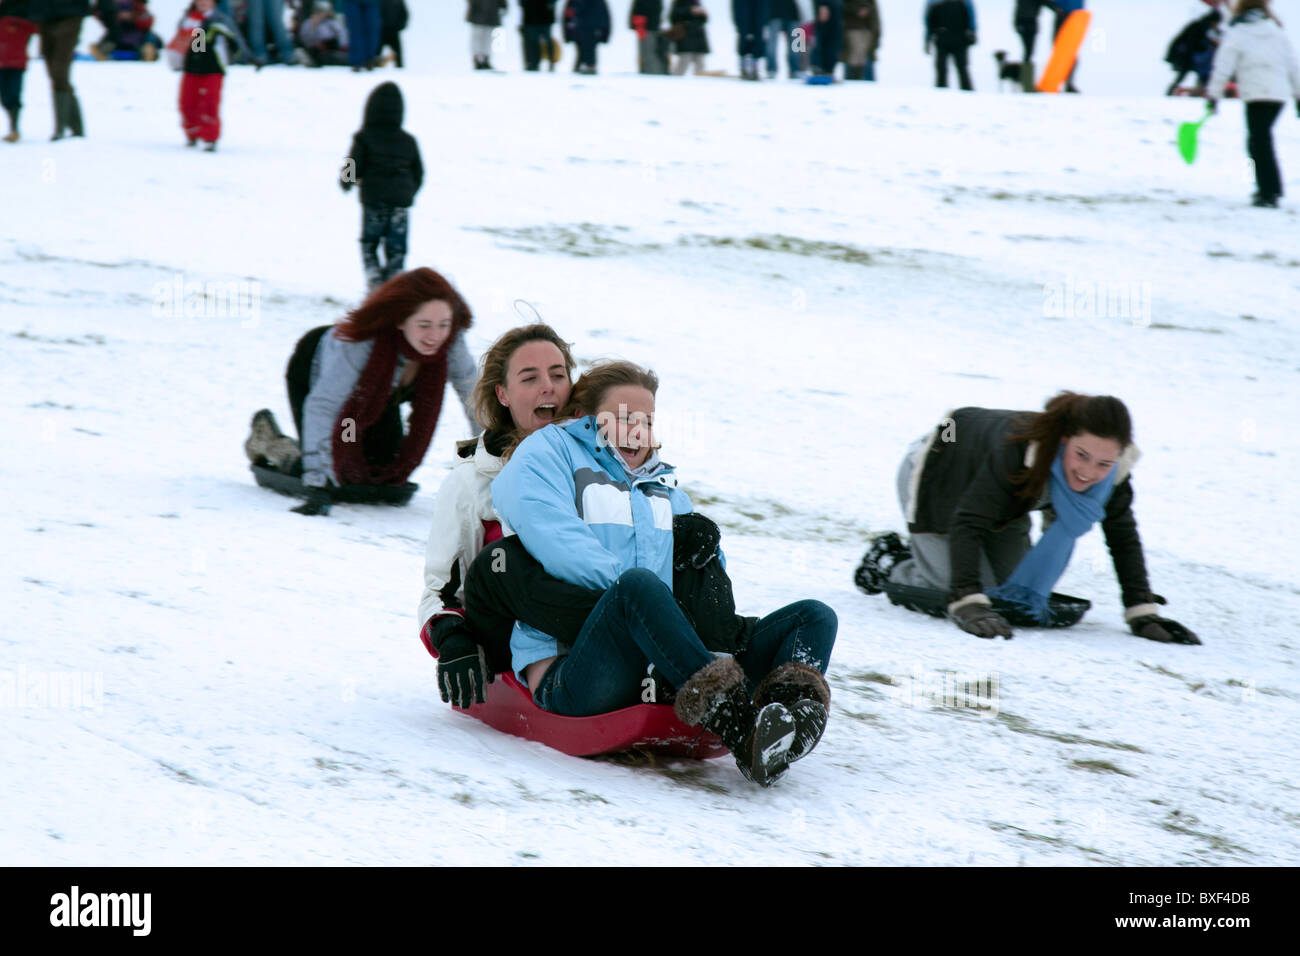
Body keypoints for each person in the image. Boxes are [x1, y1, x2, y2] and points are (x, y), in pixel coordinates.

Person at [480, 360, 838, 786]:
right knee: (637, 587)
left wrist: (701, 573)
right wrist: (653, 606)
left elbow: (709, 596)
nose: (636, 430)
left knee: (814, 617)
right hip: (572, 670)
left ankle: (789, 725)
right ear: (585, 418)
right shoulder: (548, 453)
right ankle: (742, 727)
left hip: (663, 666)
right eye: (623, 418)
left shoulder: (665, 489)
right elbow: (560, 545)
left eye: (646, 421)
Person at [854, 393, 1200, 646]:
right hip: (939, 473)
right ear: (1065, 440)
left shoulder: (1113, 473)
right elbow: (969, 521)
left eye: (1103, 463)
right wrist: (966, 601)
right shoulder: (1018, 450)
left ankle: (945, 570)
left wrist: (1141, 611)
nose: (1089, 472)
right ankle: (890, 562)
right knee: (962, 589)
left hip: (1005, 503)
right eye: (1081, 455)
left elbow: (1122, 535)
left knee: (1005, 596)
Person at [418, 322, 578, 693]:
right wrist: (452, 638)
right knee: (503, 559)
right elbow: (439, 591)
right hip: (511, 638)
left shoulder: (596, 468)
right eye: (529, 377)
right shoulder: (471, 481)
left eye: (558, 374)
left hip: (589, 625)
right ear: (503, 394)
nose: (548, 386)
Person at [246, 268, 478, 516]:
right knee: (337, 461)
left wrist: (495, 462)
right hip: (328, 388)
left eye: (444, 325)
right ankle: (269, 440)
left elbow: (476, 400)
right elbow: (324, 407)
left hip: (378, 398)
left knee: (384, 467)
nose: (435, 336)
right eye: (424, 325)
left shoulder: (450, 343)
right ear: (400, 321)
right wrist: (317, 481)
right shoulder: (360, 344)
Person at [1206, 0, 1300, 209]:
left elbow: (1222, 66)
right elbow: (1293, 64)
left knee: (1258, 143)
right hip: (1278, 96)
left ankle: (1266, 192)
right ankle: (1270, 189)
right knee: (1261, 141)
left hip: (1257, 95)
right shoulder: (1275, 30)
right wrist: (1298, 95)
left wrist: (1214, 95)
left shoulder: (1238, 32)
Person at [340, 81, 422, 290]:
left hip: (374, 197)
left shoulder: (364, 137)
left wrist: (347, 182)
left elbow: (352, 163)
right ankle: (394, 281)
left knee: (370, 242)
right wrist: (409, 192)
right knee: (397, 247)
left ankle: (374, 280)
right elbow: (418, 172)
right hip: (400, 201)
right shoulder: (408, 141)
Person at [177, 0, 259, 152]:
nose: (203, 3)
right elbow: (185, 43)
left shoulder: (220, 21)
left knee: (210, 102)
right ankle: (192, 132)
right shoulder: (188, 19)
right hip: (191, 68)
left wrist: (249, 57)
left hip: (212, 68)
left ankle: (209, 136)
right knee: (188, 102)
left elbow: (236, 40)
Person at [28, 0, 87, 140]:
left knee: (59, 71)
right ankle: (76, 127)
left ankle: (60, 128)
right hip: (44, 16)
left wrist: (108, 12)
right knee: (53, 73)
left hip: (71, 14)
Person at [1165, 1, 1223, 96]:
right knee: (1196, 74)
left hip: (1186, 55)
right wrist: (1209, 47)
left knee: (1185, 75)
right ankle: (1174, 92)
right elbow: (1194, 42)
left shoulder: (1200, 25)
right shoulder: (1200, 27)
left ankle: (1175, 91)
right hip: (1186, 55)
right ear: (1214, 21)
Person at [0, 0, 38, 142]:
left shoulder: (20, 21)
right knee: (6, 98)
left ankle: (14, 128)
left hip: (16, 63)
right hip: (4, 63)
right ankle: (13, 128)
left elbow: (35, 28)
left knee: (13, 96)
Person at [925, 0, 975, 90]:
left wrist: (972, 31)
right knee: (941, 69)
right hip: (943, 39)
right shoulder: (934, 3)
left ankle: (968, 94)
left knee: (962, 68)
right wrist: (927, 40)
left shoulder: (962, 3)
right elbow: (929, 22)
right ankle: (941, 94)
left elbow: (970, 16)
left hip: (959, 38)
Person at [91, 1, 162, 60]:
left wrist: (134, 18)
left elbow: (147, 21)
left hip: (137, 39)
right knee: (110, 38)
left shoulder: (138, 7)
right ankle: (100, 52)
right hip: (118, 39)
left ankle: (149, 53)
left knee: (149, 38)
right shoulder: (112, 7)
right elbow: (103, 18)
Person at [1013, 0, 1056, 90]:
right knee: (1029, 52)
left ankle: (1027, 84)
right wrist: (1057, 9)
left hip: (1023, 21)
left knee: (1028, 52)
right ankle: (1027, 85)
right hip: (1028, 21)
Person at [562, 0, 609, 74]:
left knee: (586, 50)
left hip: (583, 29)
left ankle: (585, 67)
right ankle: (586, 67)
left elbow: (568, 15)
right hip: (588, 29)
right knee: (585, 50)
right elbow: (604, 16)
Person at [296, 1, 348, 67]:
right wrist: (313, 27)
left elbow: (341, 33)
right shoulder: (308, 24)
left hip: (331, 48)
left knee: (339, 57)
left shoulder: (331, 23)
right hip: (315, 48)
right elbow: (304, 38)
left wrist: (342, 45)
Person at [841, 0, 879, 80]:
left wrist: (876, 36)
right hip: (851, 32)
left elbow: (875, 20)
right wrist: (856, 9)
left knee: (866, 63)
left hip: (867, 32)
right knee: (853, 66)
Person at [668, 0, 707, 75]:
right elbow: (673, 17)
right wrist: (690, 10)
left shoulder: (696, 2)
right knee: (683, 63)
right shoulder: (679, 2)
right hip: (685, 38)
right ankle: (673, 82)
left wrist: (703, 14)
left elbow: (704, 20)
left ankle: (701, 84)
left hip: (698, 38)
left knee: (701, 65)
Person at [764, 0, 801, 79]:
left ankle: (795, 69)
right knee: (772, 44)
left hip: (793, 13)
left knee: (796, 44)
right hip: (774, 12)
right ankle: (771, 69)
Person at [732, 0, 767, 80]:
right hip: (743, 7)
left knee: (758, 37)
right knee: (743, 36)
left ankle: (754, 68)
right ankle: (743, 68)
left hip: (758, 9)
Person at [629, 0, 666, 74]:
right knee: (647, 53)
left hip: (647, 27)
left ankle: (652, 73)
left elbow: (641, 10)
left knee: (648, 53)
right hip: (647, 27)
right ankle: (648, 72)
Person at [467, 0, 504, 70]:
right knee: (477, 37)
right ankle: (477, 58)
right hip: (478, 14)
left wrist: (503, 5)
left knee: (488, 38)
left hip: (491, 13)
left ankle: (485, 58)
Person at [522, 0, 556, 72]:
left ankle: (551, 61)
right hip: (531, 16)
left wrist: (550, 4)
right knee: (532, 41)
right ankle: (533, 63)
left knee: (546, 41)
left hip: (544, 16)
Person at [812, 0, 842, 77]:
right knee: (823, 40)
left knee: (833, 41)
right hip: (827, 7)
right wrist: (823, 5)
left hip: (836, 8)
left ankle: (828, 71)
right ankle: (820, 70)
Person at [377, 0, 405, 67]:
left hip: (394, 32)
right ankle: (375, 66)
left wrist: (399, 26)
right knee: (376, 54)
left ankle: (400, 69)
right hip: (381, 32)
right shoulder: (379, 2)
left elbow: (404, 14)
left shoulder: (398, 1)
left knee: (398, 56)